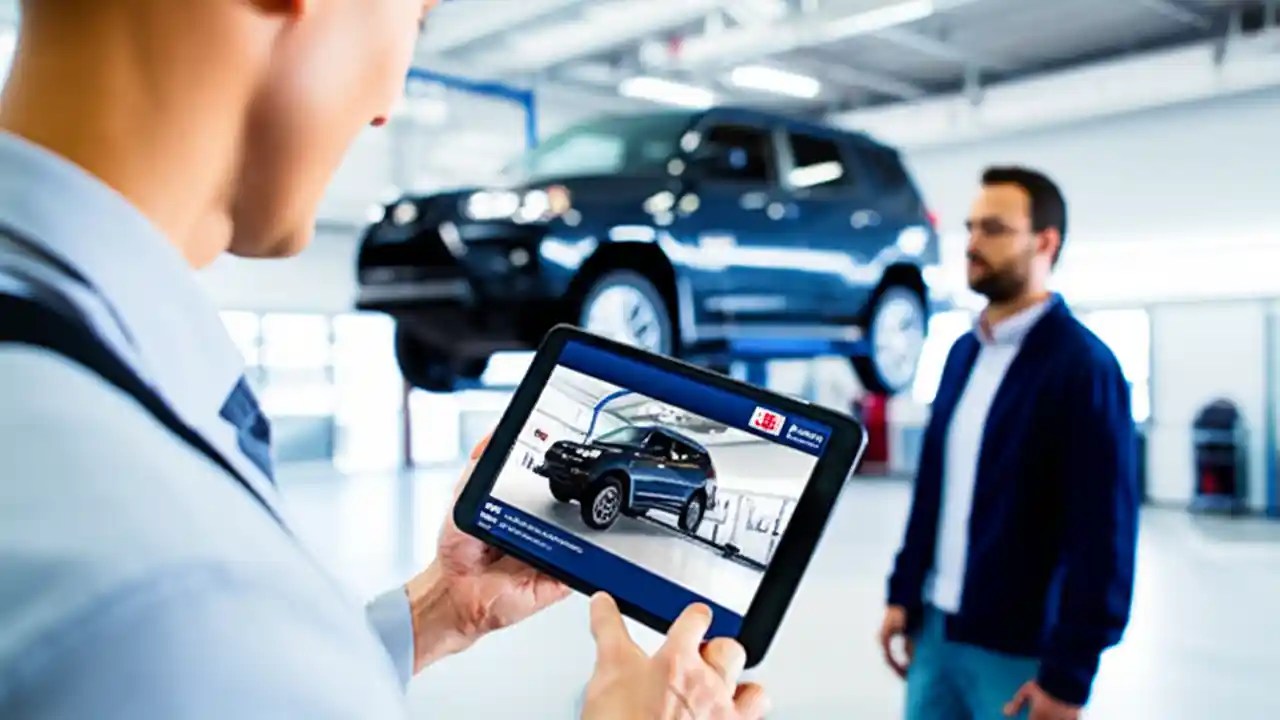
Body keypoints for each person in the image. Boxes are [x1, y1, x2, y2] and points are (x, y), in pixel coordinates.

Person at [0, 1, 770, 718]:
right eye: (416, 17)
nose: (386, 104)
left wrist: (437, 610)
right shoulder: (170, 595)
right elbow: (200, 653)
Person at [877, 167, 1139, 720]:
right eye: (971, 228)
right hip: (936, 631)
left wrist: (1069, 679)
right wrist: (902, 591)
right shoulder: (961, 355)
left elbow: (1104, 536)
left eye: (993, 229)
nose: (972, 244)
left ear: (1045, 242)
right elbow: (934, 489)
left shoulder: (1084, 368)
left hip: (1021, 653)